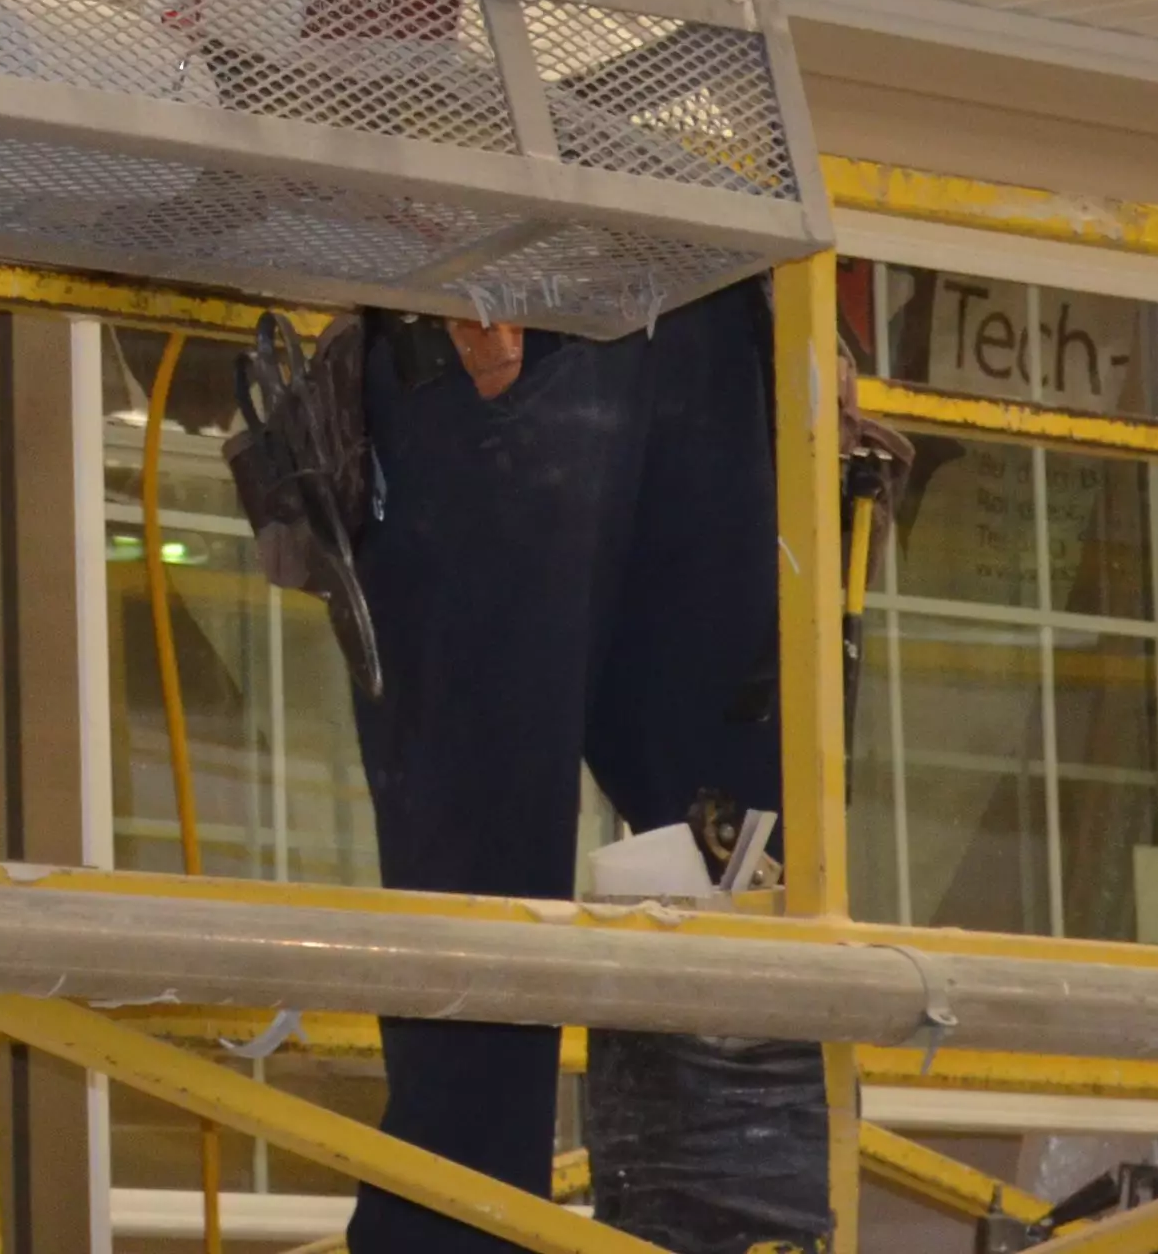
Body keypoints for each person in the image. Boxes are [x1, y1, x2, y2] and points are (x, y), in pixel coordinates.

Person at [343, 284, 818, 1254]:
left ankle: (728, 1228)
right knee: (489, 870)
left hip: (703, 281)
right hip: (499, 281)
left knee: (726, 862)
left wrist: (811, 338)